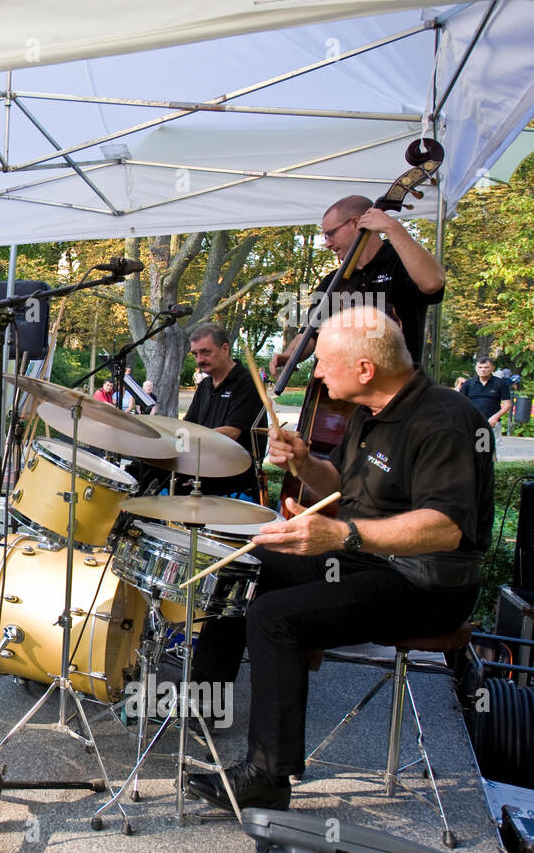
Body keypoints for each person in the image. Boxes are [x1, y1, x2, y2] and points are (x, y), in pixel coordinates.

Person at [186, 307, 493, 812]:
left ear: (366, 368)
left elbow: (444, 527)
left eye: (325, 362)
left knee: (275, 616)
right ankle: (204, 702)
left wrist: (340, 536)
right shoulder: (370, 414)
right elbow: (345, 488)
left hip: (428, 583)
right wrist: (307, 463)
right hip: (369, 560)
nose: (318, 371)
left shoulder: (446, 422)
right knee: (245, 565)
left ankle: (268, 774)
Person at [270, 195, 445, 375]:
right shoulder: (332, 281)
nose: (327, 244)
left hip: (396, 390)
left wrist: (392, 227)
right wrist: (290, 355)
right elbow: (310, 334)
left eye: (330, 234)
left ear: (355, 223)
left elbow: (432, 283)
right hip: (341, 393)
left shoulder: (403, 262)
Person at [178, 323, 265, 498]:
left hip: (235, 472)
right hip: (204, 463)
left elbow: (231, 432)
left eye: (205, 352)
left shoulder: (247, 383)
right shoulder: (204, 385)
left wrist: (191, 439)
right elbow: (188, 426)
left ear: (225, 349)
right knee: (145, 471)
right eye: (195, 354)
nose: (199, 359)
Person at [459, 357, 512, 444]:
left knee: (489, 452)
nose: (483, 370)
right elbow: (460, 403)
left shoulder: (500, 384)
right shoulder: (468, 384)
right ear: (476, 368)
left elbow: (508, 405)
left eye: (486, 367)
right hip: (472, 422)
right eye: (480, 367)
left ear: (492, 368)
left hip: (492, 422)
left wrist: (496, 417)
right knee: (473, 450)